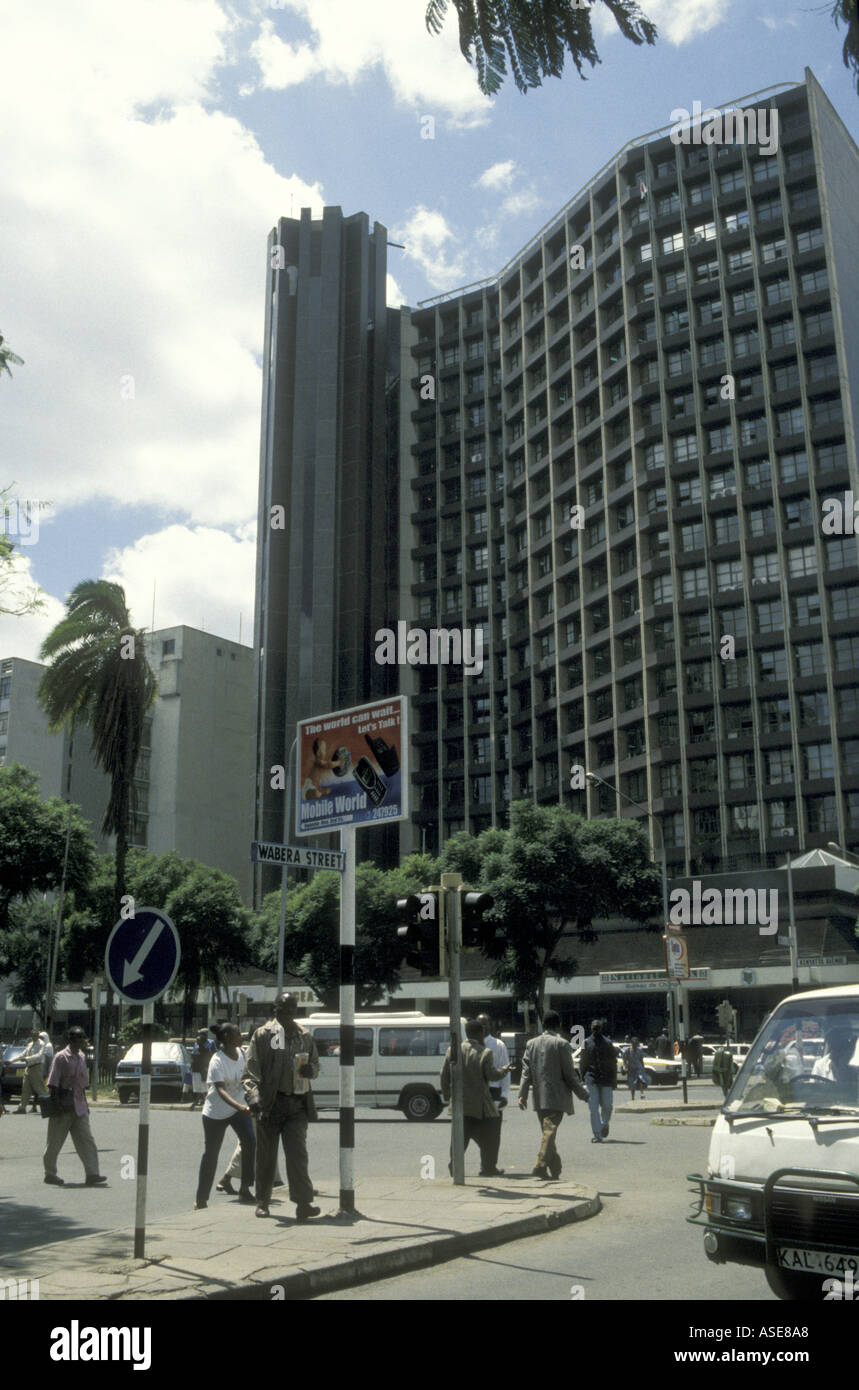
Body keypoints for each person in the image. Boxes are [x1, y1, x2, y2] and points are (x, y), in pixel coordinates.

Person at [243, 992, 320, 1221]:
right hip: (271, 1103)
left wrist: (311, 1071)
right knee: (266, 1157)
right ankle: (263, 1202)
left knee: (298, 1155)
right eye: (284, 1008)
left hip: (297, 1103)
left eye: (292, 1008)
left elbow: (315, 1064)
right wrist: (253, 1095)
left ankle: (303, 1203)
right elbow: (250, 1070)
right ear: (275, 1009)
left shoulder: (304, 1035)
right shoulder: (264, 1035)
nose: (288, 1013)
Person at [518, 1011, 588, 1179]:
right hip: (557, 1096)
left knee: (547, 1132)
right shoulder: (562, 1044)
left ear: (543, 1024)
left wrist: (522, 1094)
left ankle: (555, 1169)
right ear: (558, 1025)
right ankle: (540, 1165)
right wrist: (583, 1094)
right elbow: (570, 1074)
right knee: (549, 1131)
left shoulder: (531, 1044)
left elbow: (525, 1071)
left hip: (539, 1097)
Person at [194, 1022, 255, 1210]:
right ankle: (201, 1198)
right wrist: (239, 1106)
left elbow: (248, 1078)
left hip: (238, 1110)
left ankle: (245, 1188)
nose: (241, 1036)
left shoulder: (243, 1054)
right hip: (216, 1113)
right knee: (211, 1153)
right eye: (237, 1033)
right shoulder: (217, 1060)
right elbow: (220, 1090)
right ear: (228, 1037)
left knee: (250, 1142)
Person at [440, 1020, 511, 1177]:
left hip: (459, 1104)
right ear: (479, 1034)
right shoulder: (484, 1052)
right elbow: (492, 1075)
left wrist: (448, 1097)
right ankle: (488, 1168)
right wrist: (505, 1070)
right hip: (480, 1106)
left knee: (459, 1138)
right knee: (490, 1137)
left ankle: (454, 1165)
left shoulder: (453, 1050)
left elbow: (444, 1075)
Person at [43, 1026, 106, 1186]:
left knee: (86, 1140)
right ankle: (50, 1173)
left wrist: (86, 1105)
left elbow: (82, 1085)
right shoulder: (60, 1057)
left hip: (79, 1104)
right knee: (55, 1141)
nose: (79, 1041)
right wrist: (57, 1106)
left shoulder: (82, 1057)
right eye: (76, 1038)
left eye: (82, 1038)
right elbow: (53, 1084)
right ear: (70, 1039)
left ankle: (92, 1173)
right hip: (63, 1103)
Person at [476, 1013, 509, 1175]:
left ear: (490, 1026)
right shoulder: (471, 1046)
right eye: (479, 1024)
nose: (482, 1027)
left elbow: (506, 1070)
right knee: (477, 1131)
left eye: (485, 1023)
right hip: (476, 1093)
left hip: (494, 1092)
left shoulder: (498, 1045)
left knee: (494, 1132)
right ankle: (483, 1164)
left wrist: (505, 1095)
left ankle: (489, 1166)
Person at [580, 1019, 617, 1143]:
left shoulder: (608, 1043)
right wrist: (582, 1078)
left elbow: (613, 1063)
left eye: (598, 1028)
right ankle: (597, 1135)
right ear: (591, 1029)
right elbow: (583, 1062)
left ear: (601, 1029)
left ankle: (604, 1124)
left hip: (606, 1079)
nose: (596, 1030)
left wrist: (614, 1081)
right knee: (593, 1108)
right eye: (594, 1028)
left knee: (607, 1106)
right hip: (591, 1079)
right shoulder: (586, 1043)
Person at [15, 1029, 48, 1113]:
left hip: (36, 1068)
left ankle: (48, 1108)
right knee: (25, 1089)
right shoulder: (30, 1044)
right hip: (28, 1068)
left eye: (35, 1035)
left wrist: (27, 1059)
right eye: (32, 1035)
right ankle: (22, 1108)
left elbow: (39, 1055)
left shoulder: (41, 1044)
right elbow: (22, 1054)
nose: (34, 1037)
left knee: (40, 1089)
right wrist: (12, 1061)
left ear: (38, 1035)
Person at [189, 1028, 215, 1109]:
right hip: (196, 1065)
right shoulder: (196, 1043)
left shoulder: (211, 1042)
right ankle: (199, 1099)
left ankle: (204, 1099)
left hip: (205, 1065)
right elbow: (194, 1052)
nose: (201, 1035)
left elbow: (214, 1053)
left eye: (203, 1034)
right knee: (197, 1084)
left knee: (205, 1083)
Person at [626, 1037, 649, 1102]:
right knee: (632, 1083)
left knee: (641, 1079)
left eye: (636, 1044)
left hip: (639, 1067)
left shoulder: (639, 1050)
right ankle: (633, 1096)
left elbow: (641, 1059)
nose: (635, 1045)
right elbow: (626, 1059)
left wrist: (643, 1067)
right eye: (634, 1044)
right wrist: (626, 1067)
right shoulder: (628, 1051)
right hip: (631, 1069)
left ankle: (642, 1093)